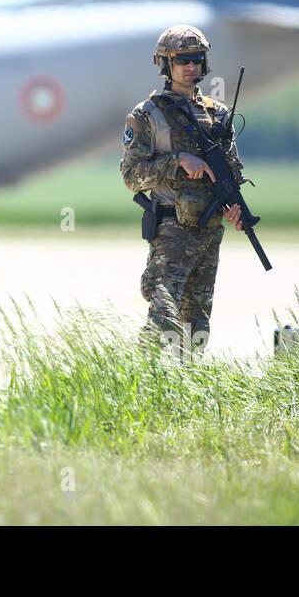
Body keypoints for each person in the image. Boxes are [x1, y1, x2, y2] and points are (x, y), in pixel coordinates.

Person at [119, 24, 246, 359]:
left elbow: (231, 172)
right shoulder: (149, 115)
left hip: (209, 231)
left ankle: (188, 387)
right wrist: (177, 161)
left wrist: (233, 208)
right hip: (171, 231)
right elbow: (131, 176)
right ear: (166, 65)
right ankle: (145, 381)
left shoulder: (217, 114)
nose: (191, 67)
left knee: (197, 325)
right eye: (183, 60)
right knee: (164, 319)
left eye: (197, 59)